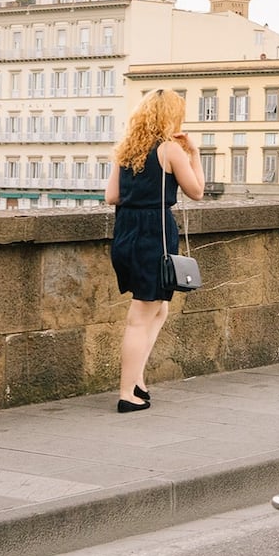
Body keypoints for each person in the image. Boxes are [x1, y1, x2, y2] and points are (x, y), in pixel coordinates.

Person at [106, 89, 205, 412]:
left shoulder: (125, 150)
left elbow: (112, 196)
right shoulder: (169, 150)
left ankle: (137, 380)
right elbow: (197, 192)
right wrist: (194, 155)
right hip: (154, 234)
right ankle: (126, 392)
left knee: (157, 308)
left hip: (126, 232)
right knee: (141, 315)